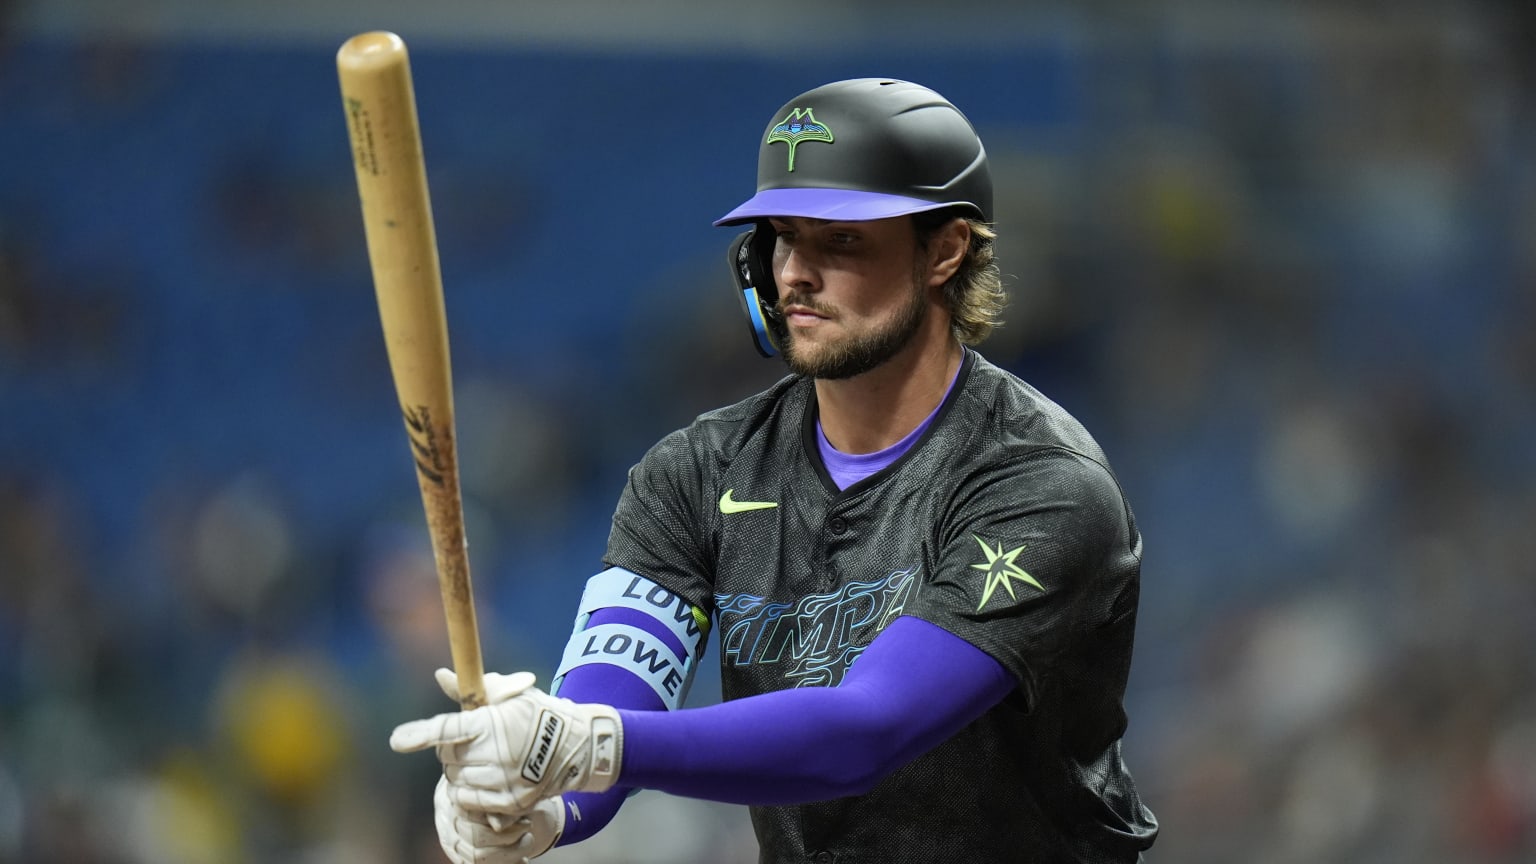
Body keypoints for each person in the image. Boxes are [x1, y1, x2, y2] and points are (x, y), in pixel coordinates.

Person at [389, 77, 1160, 863]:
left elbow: (866, 732)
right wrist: (540, 803)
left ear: (945, 250)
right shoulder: (694, 474)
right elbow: (609, 704)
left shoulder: (1039, 482)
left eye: (842, 241)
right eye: (783, 238)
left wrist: (589, 743)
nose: (795, 274)